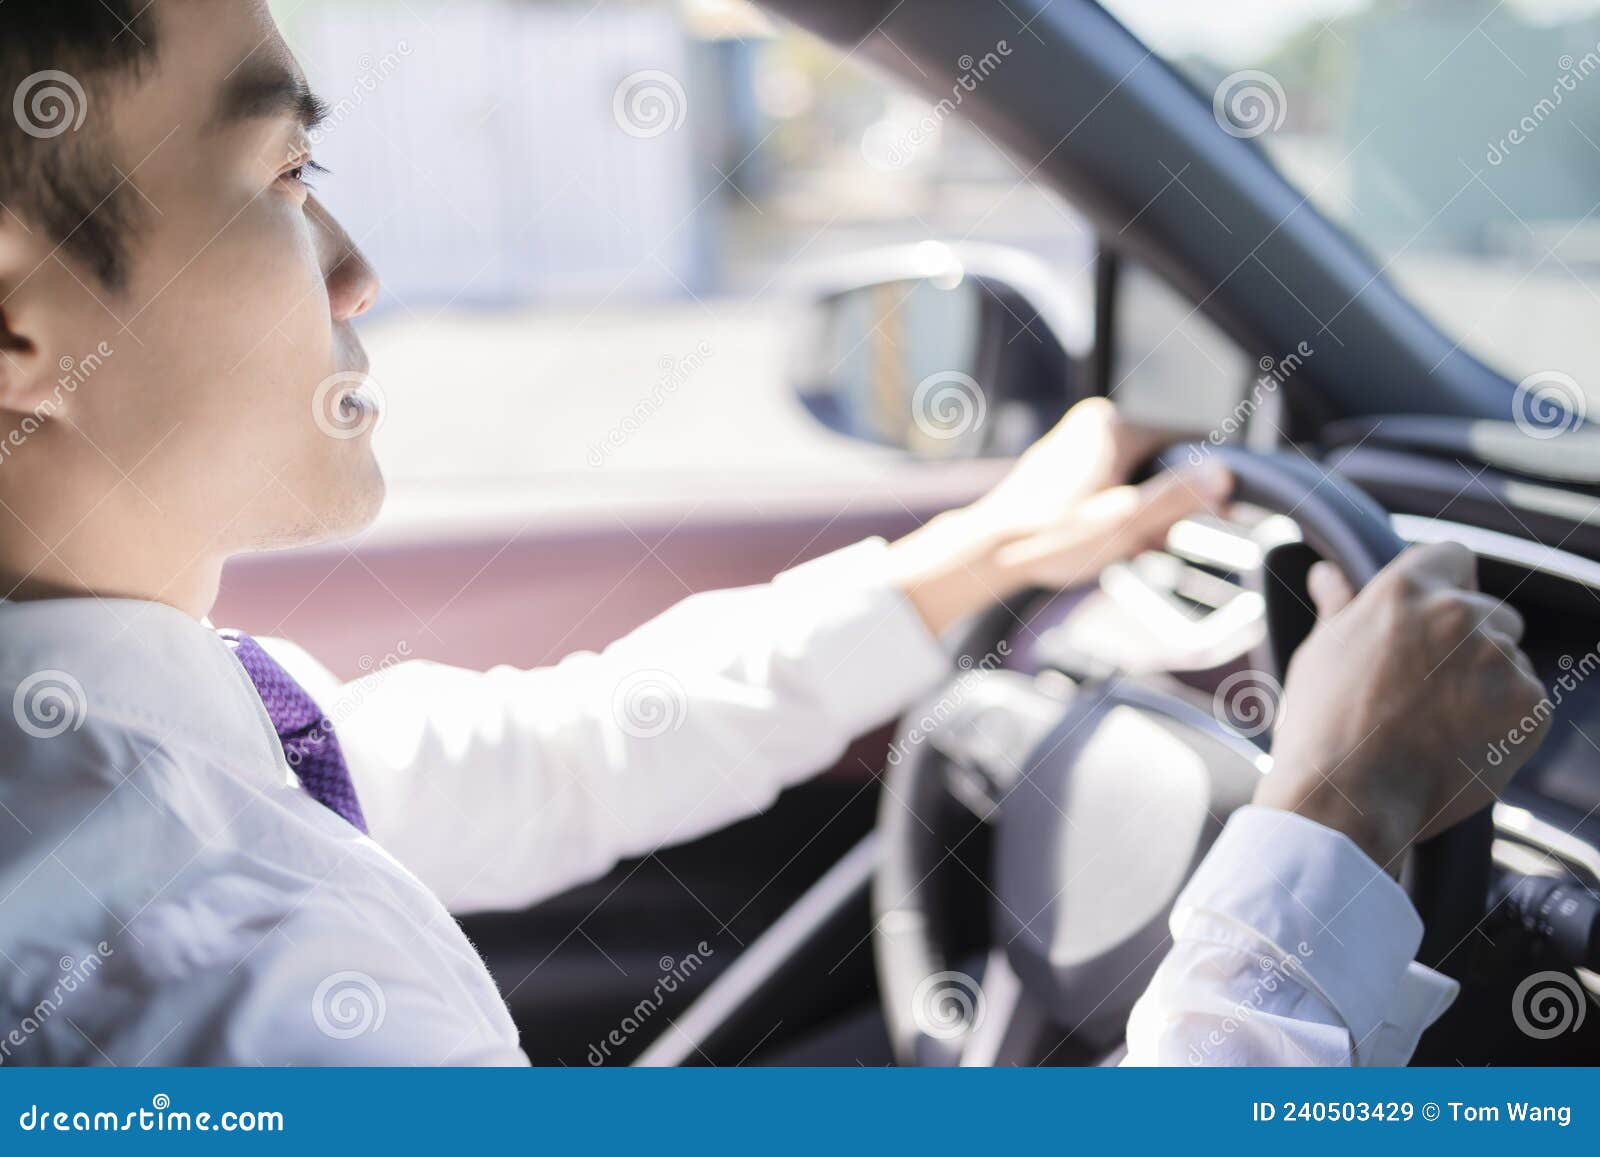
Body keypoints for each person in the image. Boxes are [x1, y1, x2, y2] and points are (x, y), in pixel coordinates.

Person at [0, 1, 1549, 1066]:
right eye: (283, 174)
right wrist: (1340, 814)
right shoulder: (216, 985)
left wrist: (971, 560)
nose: (355, 274)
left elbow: (550, 756)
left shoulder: (142, 765)